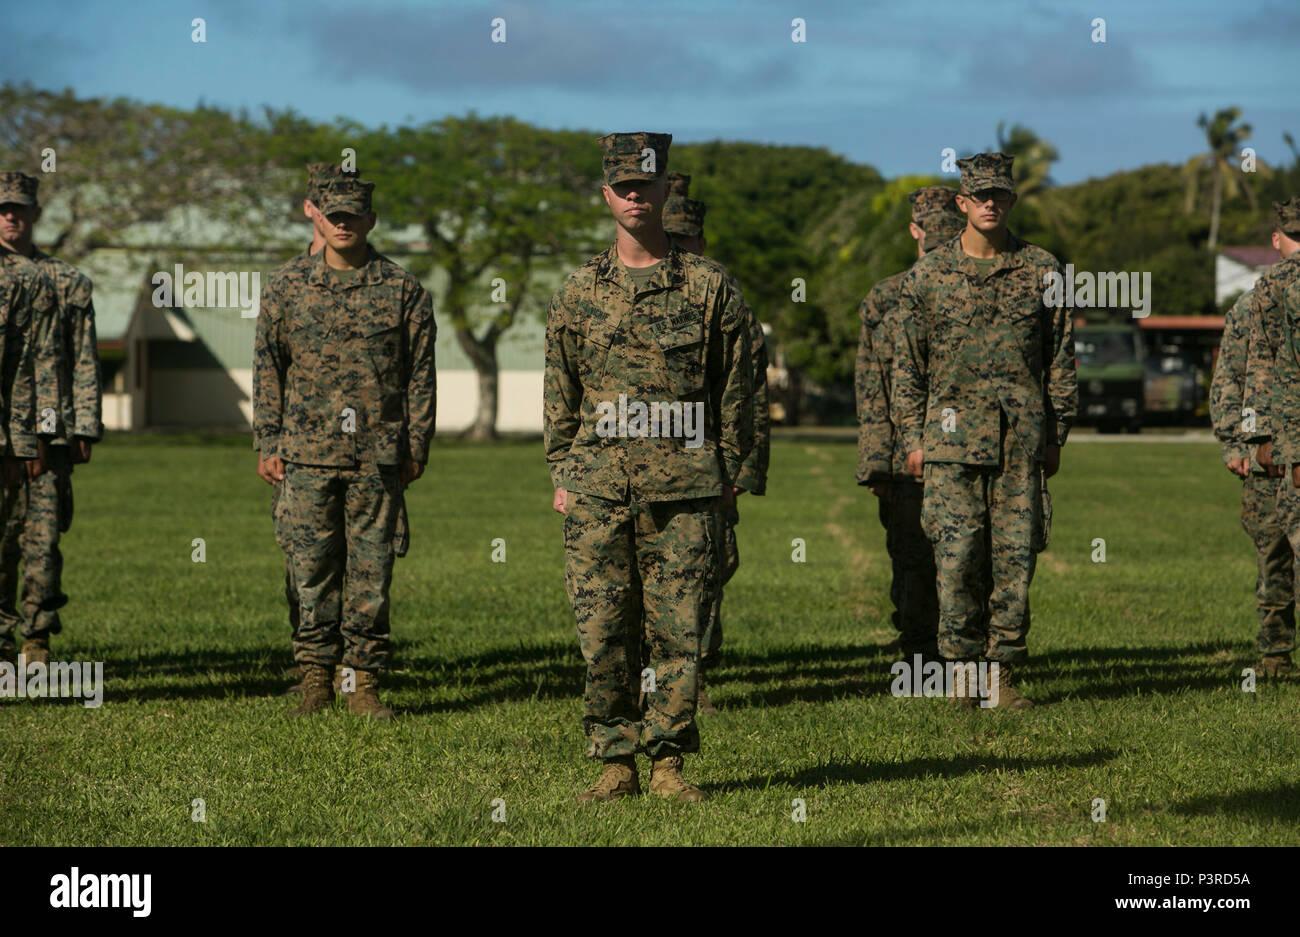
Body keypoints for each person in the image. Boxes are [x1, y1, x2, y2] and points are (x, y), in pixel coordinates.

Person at [544, 132, 754, 802]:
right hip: (600, 489)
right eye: (624, 186)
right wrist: (562, 473)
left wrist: (728, 473)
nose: (636, 196)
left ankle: (667, 762)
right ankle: (615, 760)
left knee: (677, 631)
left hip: (686, 490)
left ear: (668, 191)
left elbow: (738, 390)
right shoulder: (577, 291)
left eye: (647, 185)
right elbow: (560, 392)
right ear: (607, 195)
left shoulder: (709, 286)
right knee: (603, 631)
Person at [892, 153, 1077, 709]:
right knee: (956, 557)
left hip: (1020, 443)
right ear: (962, 204)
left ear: (1013, 201)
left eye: (1000, 195)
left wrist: (1056, 432)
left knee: (1015, 557)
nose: (991, 204)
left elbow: (1060, 358)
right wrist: (913, 440)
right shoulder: (928, 276)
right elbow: (908, 367)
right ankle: (963, 673)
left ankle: (1000, 672)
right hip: (950, 446)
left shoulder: (1044, 270)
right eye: (981, 197)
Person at [253, 172, 436, 719]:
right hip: (306, 454)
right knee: (310, 571)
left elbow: (419, 375)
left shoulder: (402, 290)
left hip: (376, 458)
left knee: (371, 573)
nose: (341, 223)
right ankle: (314, 679)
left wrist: (416, 445)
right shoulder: (286, 286)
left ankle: (362, 683)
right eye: (333, 215)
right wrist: (267, 439)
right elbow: (268, 368)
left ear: (370, 221)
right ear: (315, 215)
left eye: (352, 215)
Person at [661, 172, 769, 714]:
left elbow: (747, 385)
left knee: (705, 567)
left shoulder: (719, 291)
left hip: (704, 462)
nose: (679, 247)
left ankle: (693, 674)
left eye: (686, 239)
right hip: (636, 462)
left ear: (701, 241)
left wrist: (743, 470)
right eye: (670, 236)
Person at [856, 185, 965, 665]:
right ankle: (922, 652)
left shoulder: (972, 290)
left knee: (954, 557)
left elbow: (868, 390)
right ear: (916, 231)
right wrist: (878, 465)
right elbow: (873, 388)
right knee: (913, 557)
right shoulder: (884, 298)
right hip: (908, 458)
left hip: (954, 450)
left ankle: (947, 651)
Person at [1210, 285, 1295, 677]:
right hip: (1266, 455)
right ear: (1277, 239)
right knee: (1272, 555)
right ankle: (1275, 656)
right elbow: (1230, 374)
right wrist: (1235, 442)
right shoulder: (1255, 302)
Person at [1241, 196, 1300, 676]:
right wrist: (1258, 435)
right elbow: (1257, 364)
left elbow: (1259, 365)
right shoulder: (1272, 287)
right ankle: (1275, 653)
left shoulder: (1271, 284)